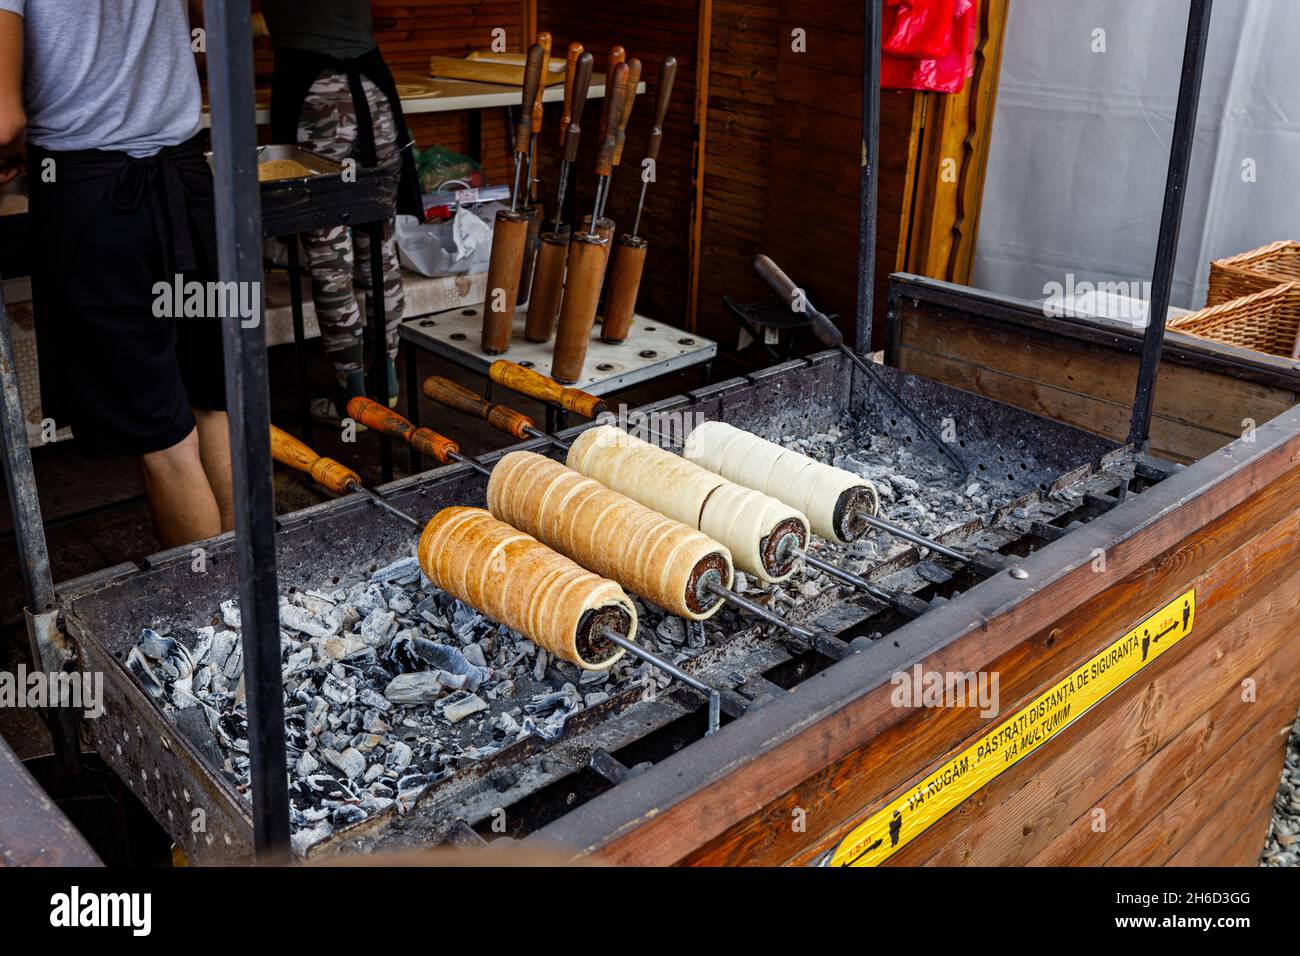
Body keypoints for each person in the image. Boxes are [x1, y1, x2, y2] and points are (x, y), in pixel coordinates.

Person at [0, 0, 233, 548]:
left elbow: (4, 118)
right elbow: (209, 28)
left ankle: (208, 618)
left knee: (162, 437)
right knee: (212, 401)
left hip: (94, 204)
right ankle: (252, 606)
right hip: (189, 182)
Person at [260, 0, 422, 420]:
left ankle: (352, 399)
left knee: (329, 254)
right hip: (376, 88)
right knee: (379, 244)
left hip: (317, 92)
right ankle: (384, 381)